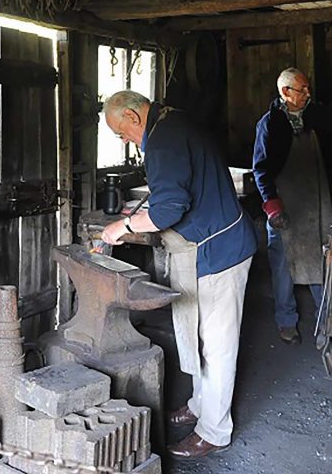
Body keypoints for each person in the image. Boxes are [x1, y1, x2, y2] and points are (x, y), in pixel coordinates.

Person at [100, 90, 257, 459]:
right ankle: (200, 405)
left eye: (121, 132)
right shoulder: (171, 121)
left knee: (217, 345)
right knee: (201, 339)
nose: (123, 140)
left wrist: (121, 227)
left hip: (220, 251)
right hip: (206, 245)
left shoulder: (164, 140)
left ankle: (214, 431)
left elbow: (169, 208)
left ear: (135, 118)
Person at [253, 61, 332, 347]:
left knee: (321, 265)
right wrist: (272, 206)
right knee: (284, 269)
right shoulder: (270, 124)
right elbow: (260, 169)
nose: (308, 93)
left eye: (308, 88)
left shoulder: (314, 115)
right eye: (302, 89)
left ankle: (327, 324)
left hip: (316, 205)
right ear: (286, 91)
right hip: (286, 207)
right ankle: (286, 322)